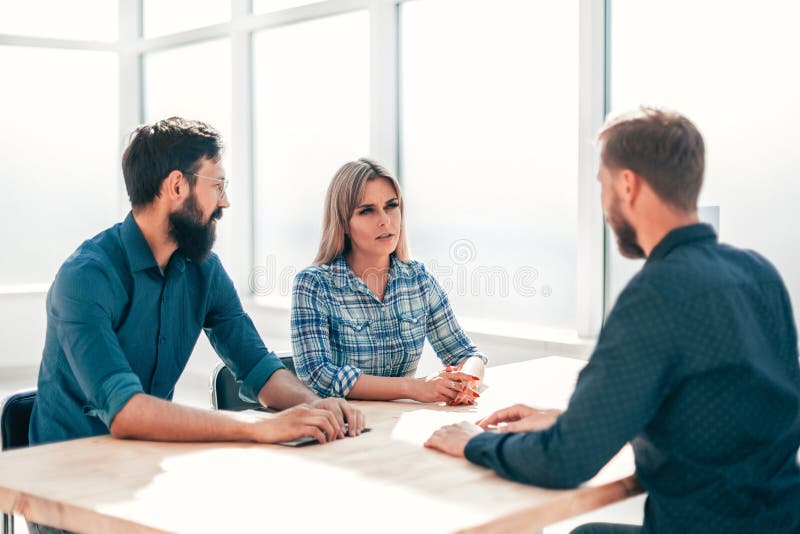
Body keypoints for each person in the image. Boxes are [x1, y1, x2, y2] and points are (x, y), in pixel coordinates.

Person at [424, 108, 800, 533]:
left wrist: (476, 442)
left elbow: (565, 462)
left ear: (628, 184)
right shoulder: (759, 273)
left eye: (602, 184)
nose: (603, 205)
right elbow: (722, 413)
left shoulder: (657, 293)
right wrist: (574, 421)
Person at [29, 117, 365, 452]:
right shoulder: (85, 278)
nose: (225, 201)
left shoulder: (204, 270)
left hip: (143, 461)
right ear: (177, 186)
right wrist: (258, 426)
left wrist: (314, 407)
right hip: (64, 477)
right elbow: (125, 412)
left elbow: (258, 368)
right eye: (217, 186)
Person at [290, 158, 487, 405]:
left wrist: (466, 380)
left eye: (391, 206)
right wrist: (411, 388)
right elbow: (318, 375)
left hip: (394, 424)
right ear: (344, 223)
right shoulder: (314, 284)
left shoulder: (418, 279)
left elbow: (467, 353)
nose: (385, 220)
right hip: (340, 427)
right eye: (367, 210)